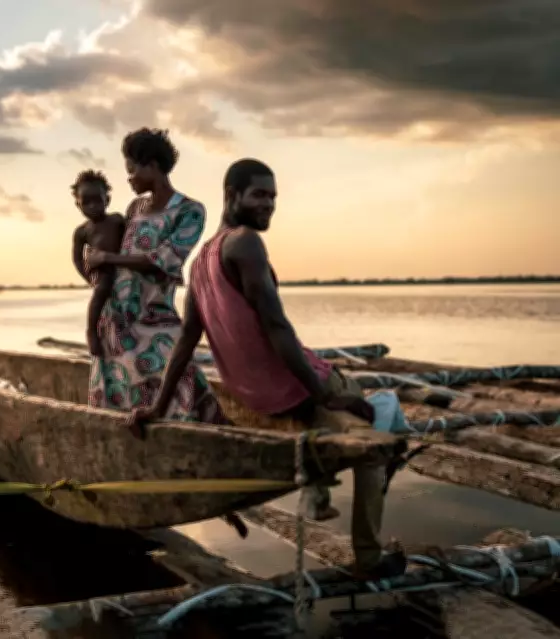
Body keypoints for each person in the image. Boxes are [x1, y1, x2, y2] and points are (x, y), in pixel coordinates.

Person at [127, 158, 404, 580]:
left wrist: (158, 407)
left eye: (273, 196)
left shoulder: (201, 261)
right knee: (380, 431)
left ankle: (319, 483)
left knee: (364, 408)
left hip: (266, 397)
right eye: (259, 194)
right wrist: (326, 394)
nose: (269, 204)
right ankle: (368, 555)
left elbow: (186, 342)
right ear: (231, 195)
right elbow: (276, 326)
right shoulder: (244, 243)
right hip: (303, 385)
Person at [85, 128, 227, 423]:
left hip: (154, 316)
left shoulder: (190, 211)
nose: (130, 178)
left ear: (152, 165)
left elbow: (164, 261)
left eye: (132, 169)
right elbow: (114, 258)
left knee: (183, 375)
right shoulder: (135, 208)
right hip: (117, 317)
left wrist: (106, 257)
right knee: (119, 390)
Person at [71, 170, 125, 357]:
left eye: (98, 200)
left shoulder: (117, 220)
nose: (93, 206)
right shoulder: (82, 231)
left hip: (123, 270)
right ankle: (91, 332)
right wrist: (89, 278)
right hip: (103, 274)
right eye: (86, 202)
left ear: (107, 200)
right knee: (100, 293)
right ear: (78, 204)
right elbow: (77, 259)